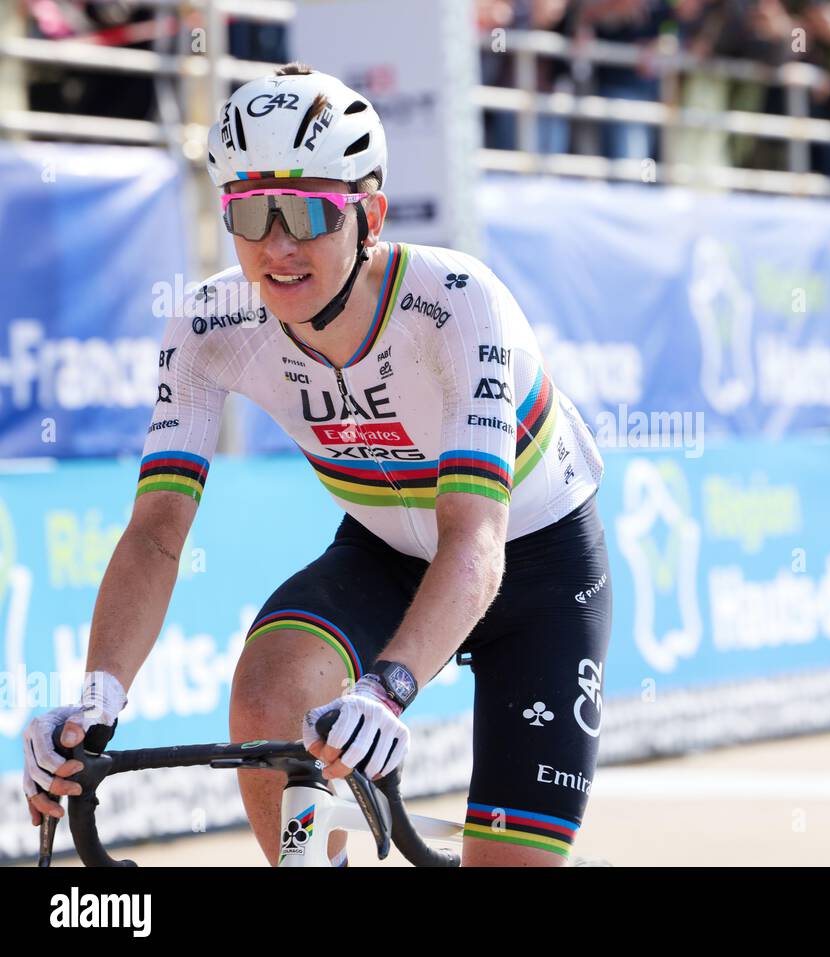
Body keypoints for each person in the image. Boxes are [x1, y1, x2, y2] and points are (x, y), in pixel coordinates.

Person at [22, 63, 612, 868]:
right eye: (249, 212)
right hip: (385, 553)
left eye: (306, 211)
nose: (277, 246)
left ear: (367, 214)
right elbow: (158, 533)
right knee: (268, 695)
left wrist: (385, 688)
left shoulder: (458, 302)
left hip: (535, 564)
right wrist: (97, 697)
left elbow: (476, 541)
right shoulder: (208, 323)